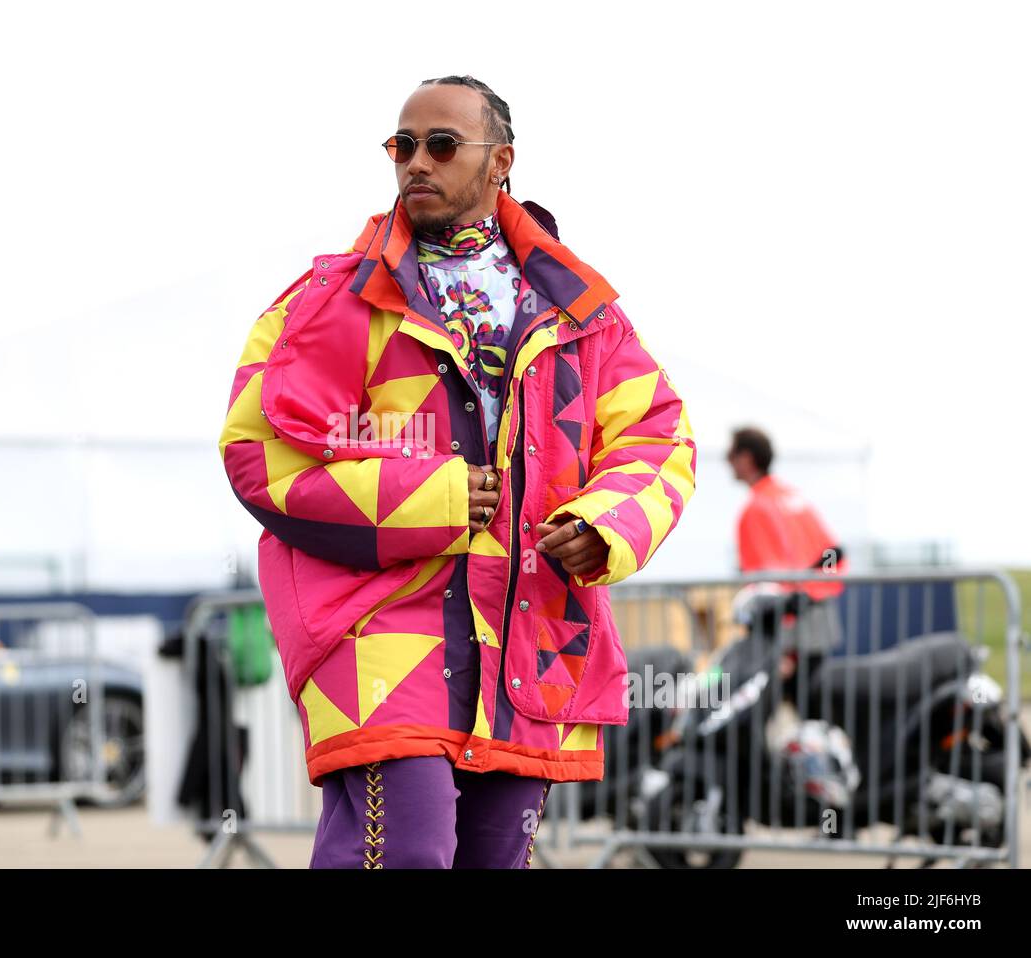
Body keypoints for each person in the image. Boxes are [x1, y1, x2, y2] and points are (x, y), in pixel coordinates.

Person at [219, 75, 697, 868]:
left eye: (441, 146)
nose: (416, 163)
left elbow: (659, 436)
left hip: (529, 638)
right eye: (402, 146)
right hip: (380, 635)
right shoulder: (329, 299)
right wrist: (433, 496)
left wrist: (603, 525)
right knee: (402, 856)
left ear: (501, 161)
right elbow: (258, 451)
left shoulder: (586, 314)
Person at [727, 425, 846, 651]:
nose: (728, 463)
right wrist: (819, 587)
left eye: (730, 455)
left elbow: (764, 581)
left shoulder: (756, 508)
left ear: (746, 458)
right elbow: (833, 553)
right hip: (817, 615)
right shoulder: (793, 497)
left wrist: (801, 595)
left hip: (787, 623)